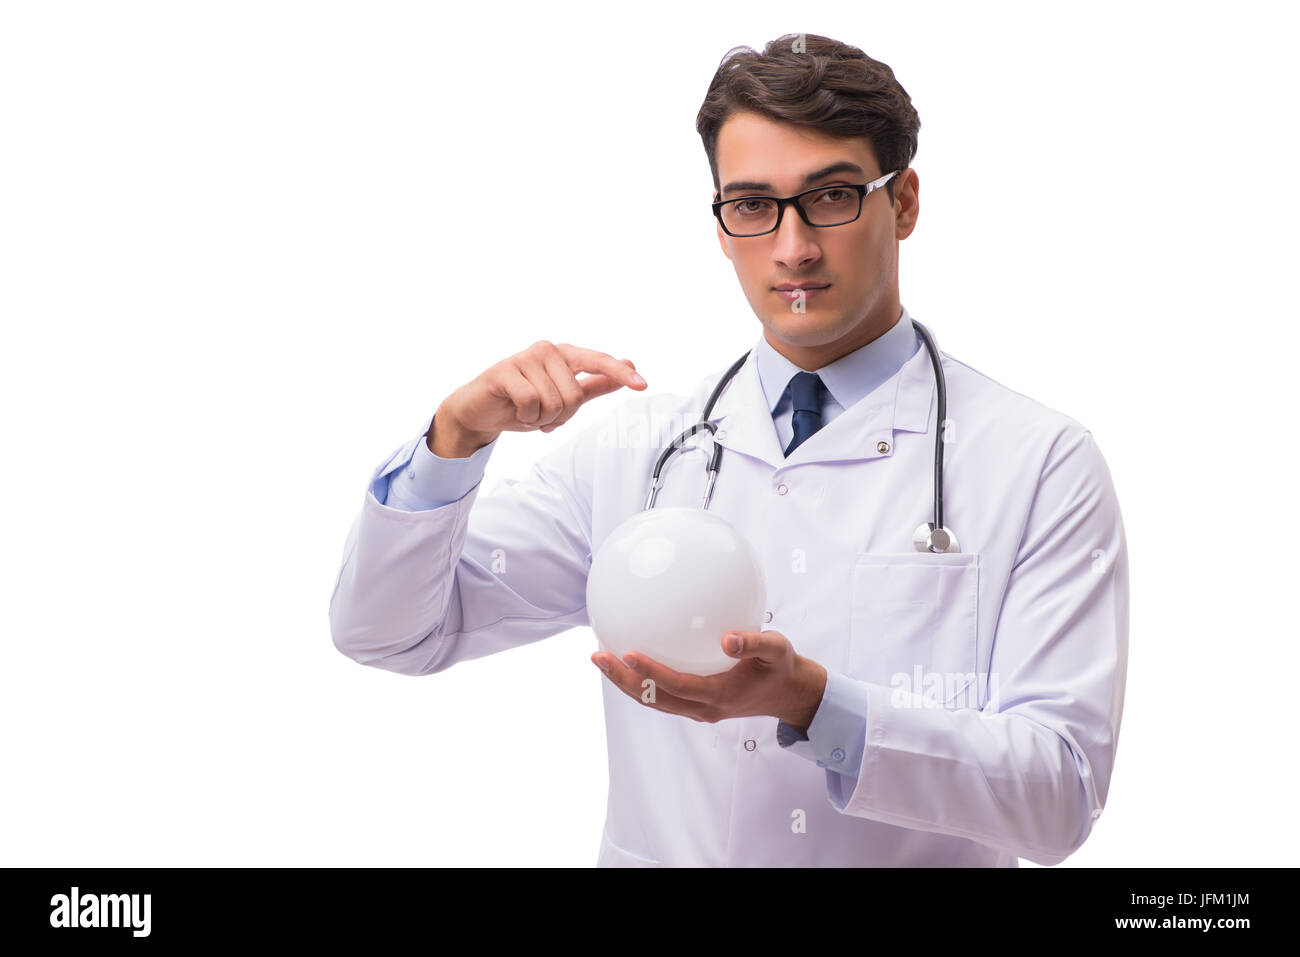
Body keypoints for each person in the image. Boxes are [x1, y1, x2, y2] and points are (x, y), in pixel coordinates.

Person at [329, 33, 1129, 867]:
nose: (793, 248)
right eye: (752, 205)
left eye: (832, 196)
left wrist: (819, 706)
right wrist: (453, 442)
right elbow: (387, 633)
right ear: (721, 222)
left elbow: (1060, 795)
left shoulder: (1038, 462)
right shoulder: (636, 453)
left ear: (906, 202)